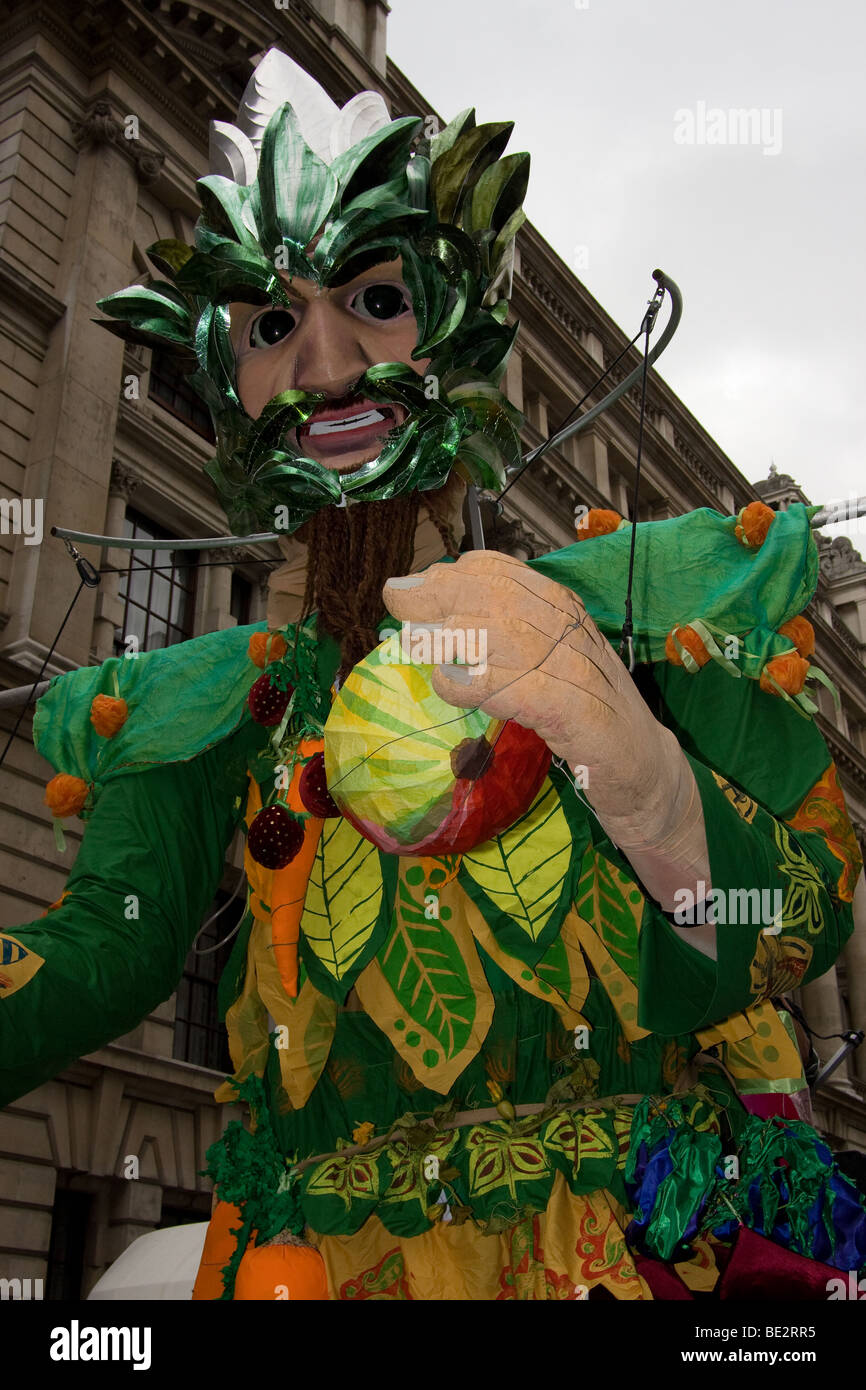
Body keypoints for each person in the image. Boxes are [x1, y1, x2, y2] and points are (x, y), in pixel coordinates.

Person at [1, 50, 864, 1300]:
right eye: (270, 322)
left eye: (376, 296)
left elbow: (790, 926)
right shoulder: (212, 705)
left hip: (634, 1253)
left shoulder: (618, 622)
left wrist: (653, 794)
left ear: (463, 334)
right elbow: (110, 949)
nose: (326, 363)